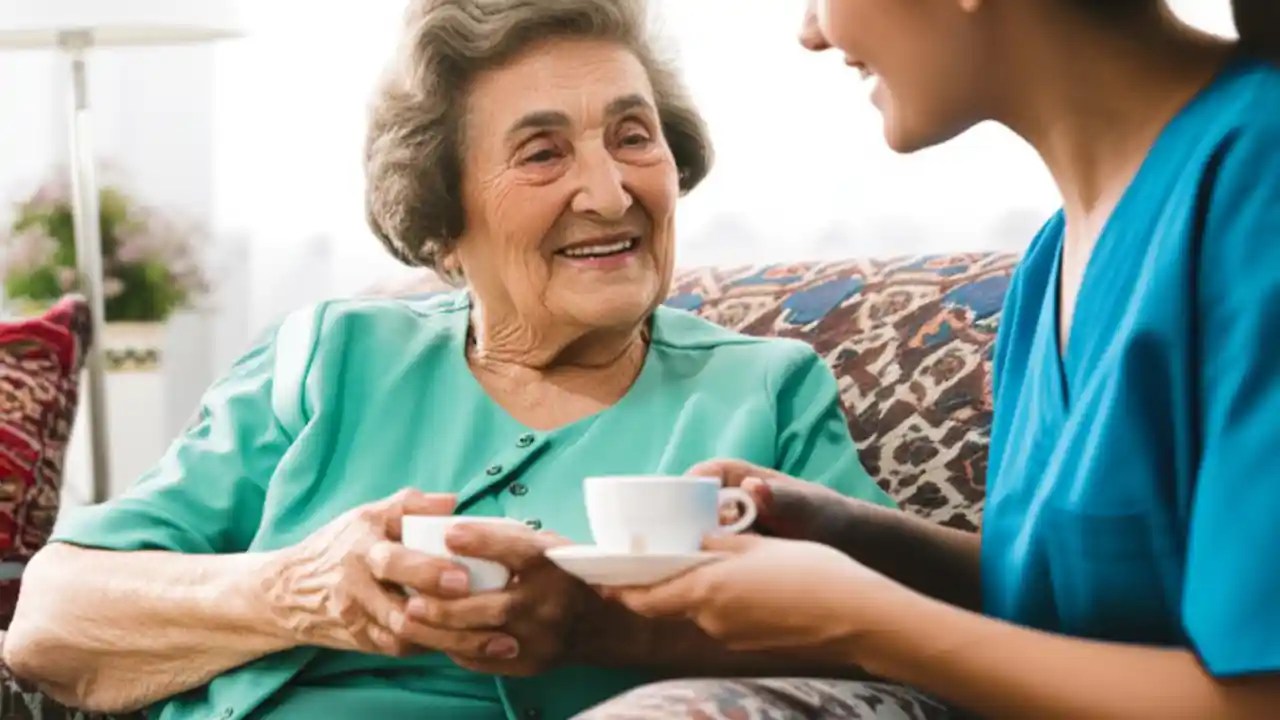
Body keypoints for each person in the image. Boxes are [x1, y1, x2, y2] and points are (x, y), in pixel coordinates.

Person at [0, 2, 894, 719]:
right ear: (442, 227)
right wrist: (301, 589)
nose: (611, 191)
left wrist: (609, 627)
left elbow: (894, 629)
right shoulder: (330, 359)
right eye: (543, 154)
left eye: (633, 136)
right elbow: (50, 621)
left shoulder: (762, 390)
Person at [588, 0, 1280, 718]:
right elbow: (1084, 596)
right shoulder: (1054, 259)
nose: (812, 30)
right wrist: (854, 535)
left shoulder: (1258, 181)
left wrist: (861, 619)